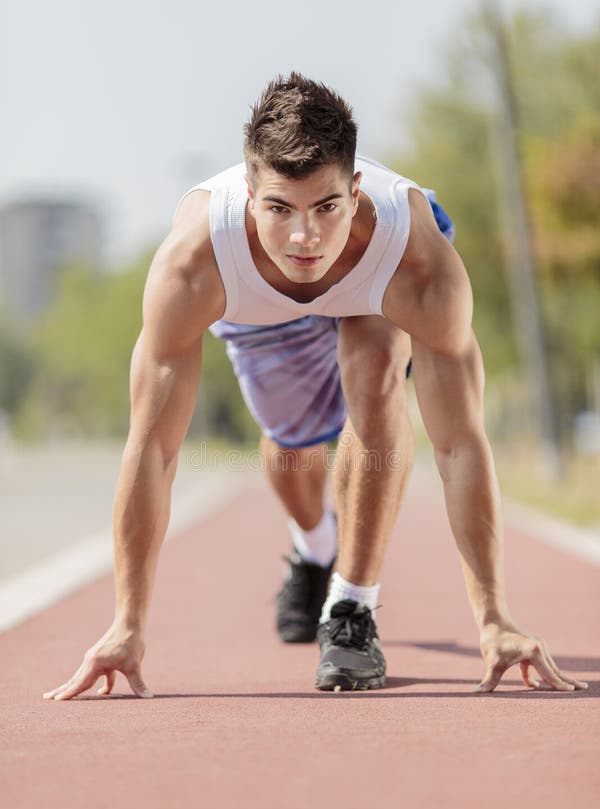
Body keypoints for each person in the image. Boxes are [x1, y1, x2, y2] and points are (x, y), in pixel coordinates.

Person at [43, 73, 587, 700]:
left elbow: (460, 444)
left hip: (371, 289)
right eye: (280, 208)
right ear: (249, 194)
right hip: (255, 301)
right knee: (289, 443)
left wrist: (494, 618)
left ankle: (352, 609)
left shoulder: (415, 262)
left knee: (377, 361)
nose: (305, 237)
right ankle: (315, 545)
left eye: (326, 207)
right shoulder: (196, 262)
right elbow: (155, 448)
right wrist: (126, 624)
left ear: (356, 193)